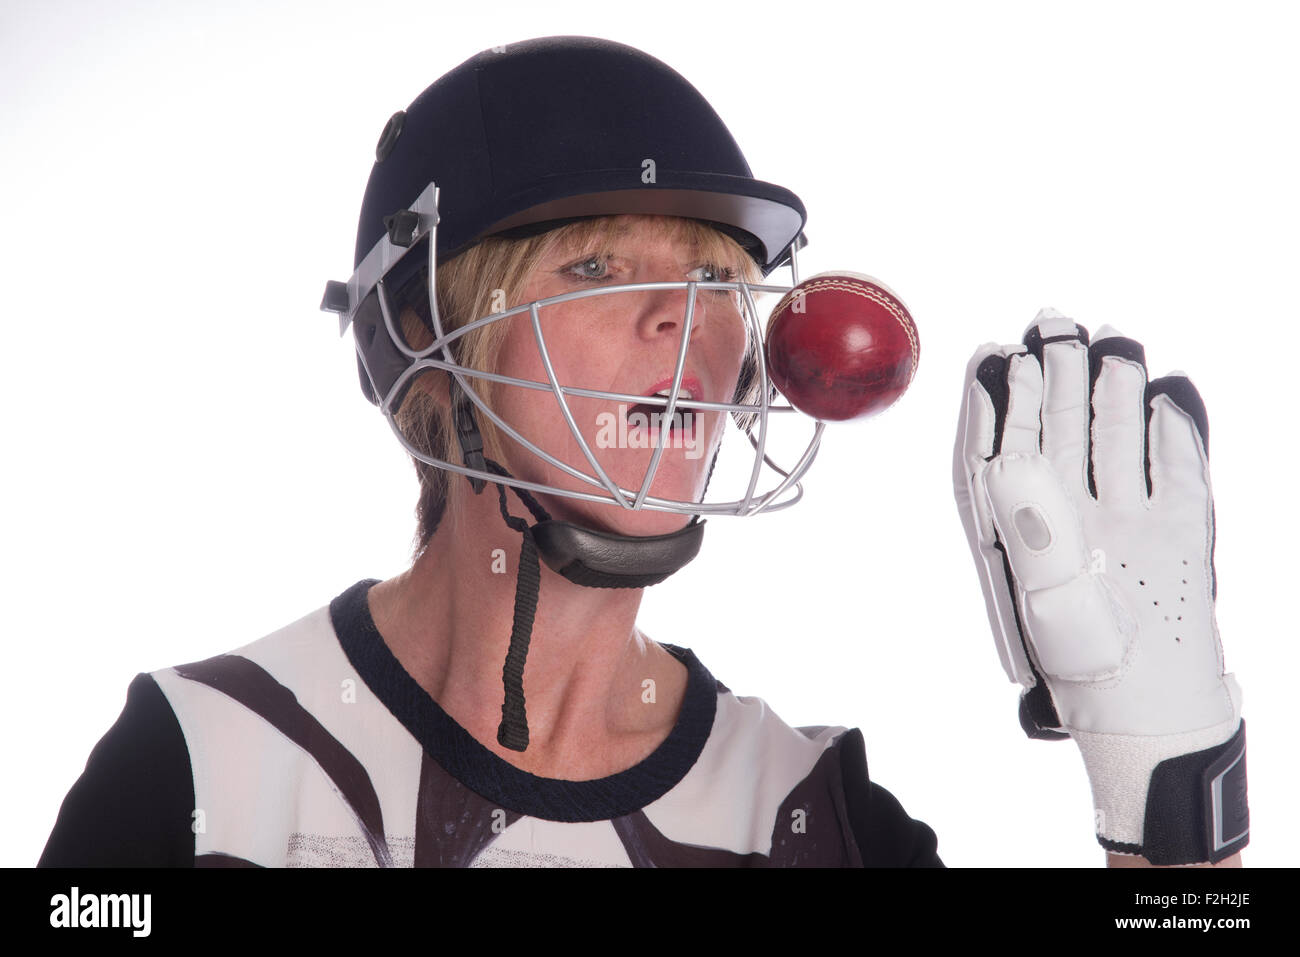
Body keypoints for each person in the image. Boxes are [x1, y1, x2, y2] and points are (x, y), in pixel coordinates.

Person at [39, 35, 1245, 869]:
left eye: (714, 277)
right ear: (421, 333)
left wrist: (1172, 805)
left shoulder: (806, 819)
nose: (685, 319)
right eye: (596, 267)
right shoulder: (197, 763)